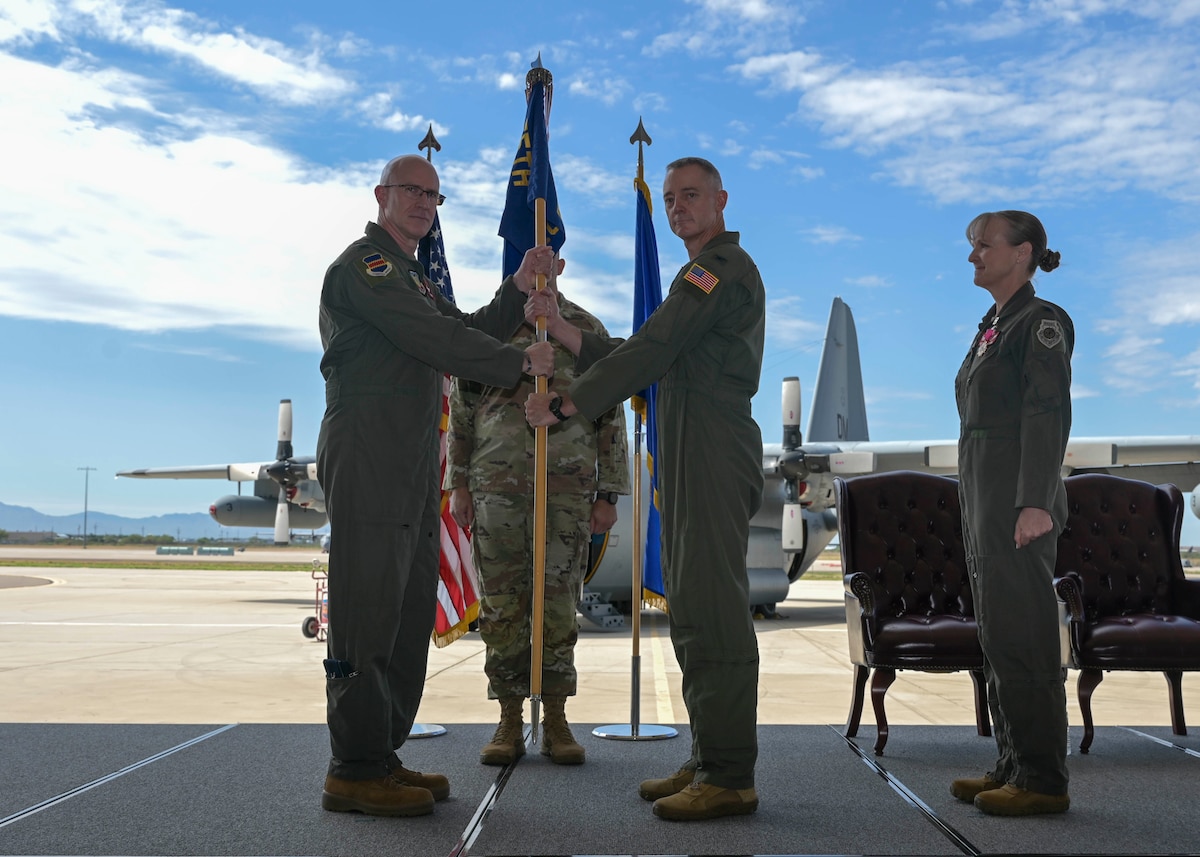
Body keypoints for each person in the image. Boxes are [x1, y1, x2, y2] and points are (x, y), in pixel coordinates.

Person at [316, 154, 556, 818]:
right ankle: (353, 767)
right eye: (411, 191)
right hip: (370, 460)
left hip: (412, 464)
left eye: (433, 194)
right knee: (368, 615)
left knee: (404, 611)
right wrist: (519, 361)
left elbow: (459, 331)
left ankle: (380, 754)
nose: (423, 201)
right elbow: (436, 338)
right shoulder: (366, 268)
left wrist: (515, 291)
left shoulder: (413, 278)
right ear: (381, 195)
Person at [525, 157, 764, 822]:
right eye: (670, 198)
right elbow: (651, 352)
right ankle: (709, 752)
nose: (678, 207)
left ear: (720, 199)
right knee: (690, 608)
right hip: (689, 447)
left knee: (712, 610)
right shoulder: (697, 278)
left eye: (691, 195)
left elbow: (651, 348)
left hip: (712, 446)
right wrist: (570, 333)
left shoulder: (717, 270)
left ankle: (730, 773)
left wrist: (569, 406)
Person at [444, 261, 630, 767]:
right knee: (503, 606)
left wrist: (610, 493)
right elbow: (461, 410)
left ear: (562, 266)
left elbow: (611, 411)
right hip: (495, 489)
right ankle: (507, 716)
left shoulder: (585, 330)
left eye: (548, 262)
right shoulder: (491, 332)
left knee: (557, 603)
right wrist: (457, 482)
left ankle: (556, 717)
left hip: (568, 491)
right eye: (531, 263)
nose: (541, 272)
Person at [950, 210, 1073, 817]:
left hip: (1017, 507)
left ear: (1022, 253)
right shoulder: (992, 325)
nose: (973, 255)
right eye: (972, 246)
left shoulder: (1040, 323)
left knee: (1025, 640)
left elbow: (1046, 416)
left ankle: (1043, 780)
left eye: (984, 245)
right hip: (985, 503)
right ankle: (1012, 763)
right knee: (999, 639)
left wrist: (1033, 502)